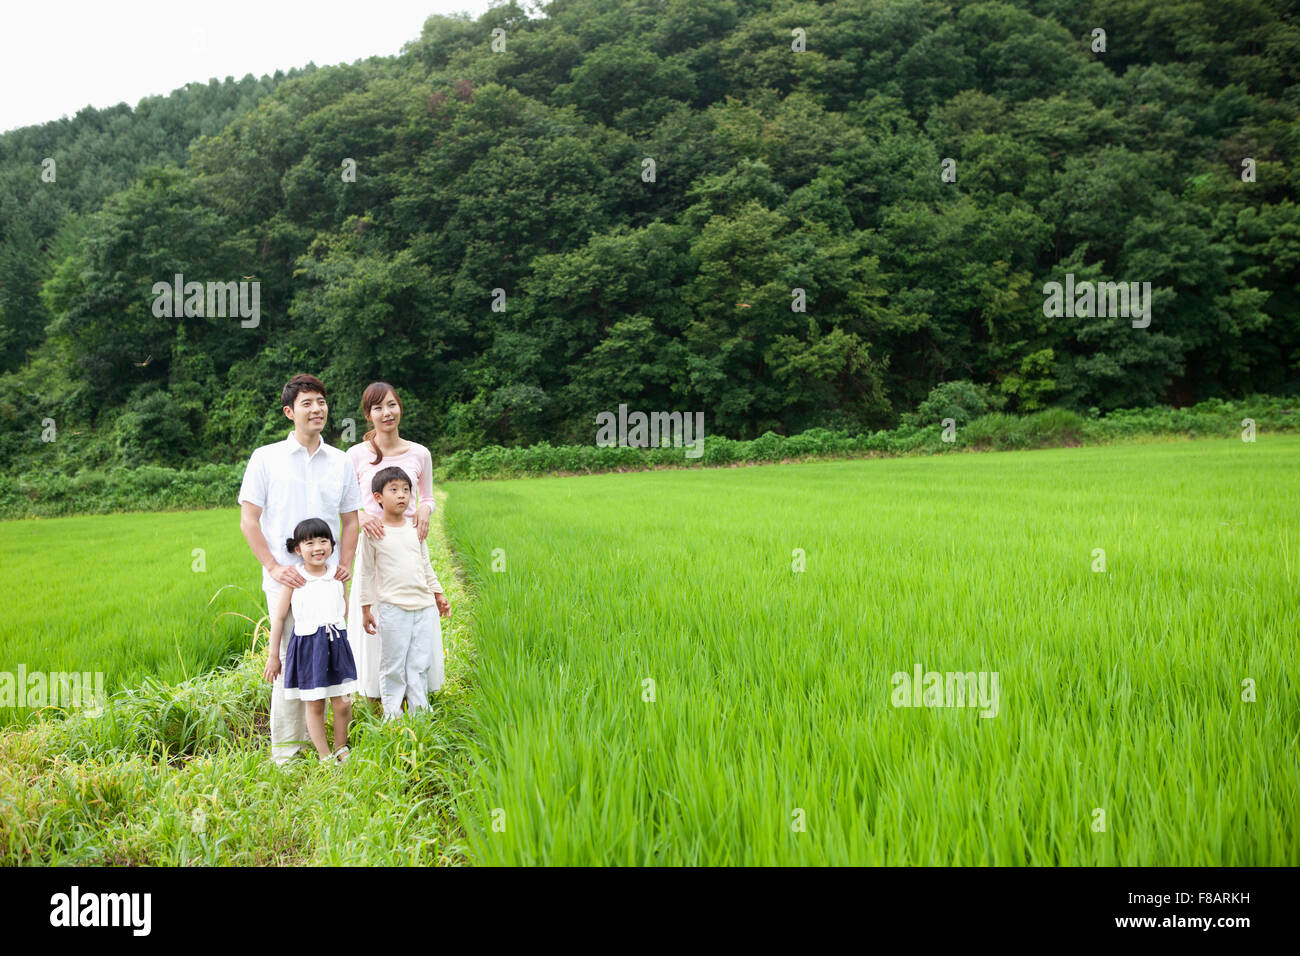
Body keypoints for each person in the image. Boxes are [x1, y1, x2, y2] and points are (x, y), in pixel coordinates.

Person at [238, 374, 362, 764]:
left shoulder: (340, 462)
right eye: (307, 403)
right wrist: (274, 567)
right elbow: (249, 520)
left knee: (328, 654)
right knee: (293, 659)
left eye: (321, 401)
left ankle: (328, 746)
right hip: (288, 580)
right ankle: (287, 752)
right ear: (290, 411)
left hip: (327, 581)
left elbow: (351, 520)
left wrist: (344, 565)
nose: (317, 409)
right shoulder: (266, 457)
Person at [345, 382, 437, 702]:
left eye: (391, 405)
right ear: (368, 415)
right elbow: (343, 502)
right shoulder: (355, 455)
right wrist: (360, 515)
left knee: (415, 616)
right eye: (378, 408)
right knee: (375, 617)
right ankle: (376, 694)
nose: (387, 413)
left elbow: (427, 497)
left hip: (408, 545)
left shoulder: (419, 453)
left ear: (400, 407)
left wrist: (424, 509)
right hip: (373, 546)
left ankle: (417, 693)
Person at [358, 466, 450, 720]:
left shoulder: (415, 528)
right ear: (378, 497)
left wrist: (438, 594)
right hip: (391, 607)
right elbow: (366, 573)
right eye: (394, 490)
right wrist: (365, 608)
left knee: (419, 663)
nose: (402, 495)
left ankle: (420, 712)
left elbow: (425, 564)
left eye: (407, 490)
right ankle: (393, 715)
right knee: (393, 665)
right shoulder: (372, 533)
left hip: (422, 605)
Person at [263, 518, 357, 763]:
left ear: (332, 545)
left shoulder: (337, 574)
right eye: (310, 543)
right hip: (308, 647)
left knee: (343, 702)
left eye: (323, 541)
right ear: (298, 549)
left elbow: (343, 608)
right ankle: (324, 755)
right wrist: (274, 655)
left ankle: (341, 747)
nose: (318, 547)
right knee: (314, 704)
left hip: (336, 643)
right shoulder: (295, 577)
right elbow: (280, 617)